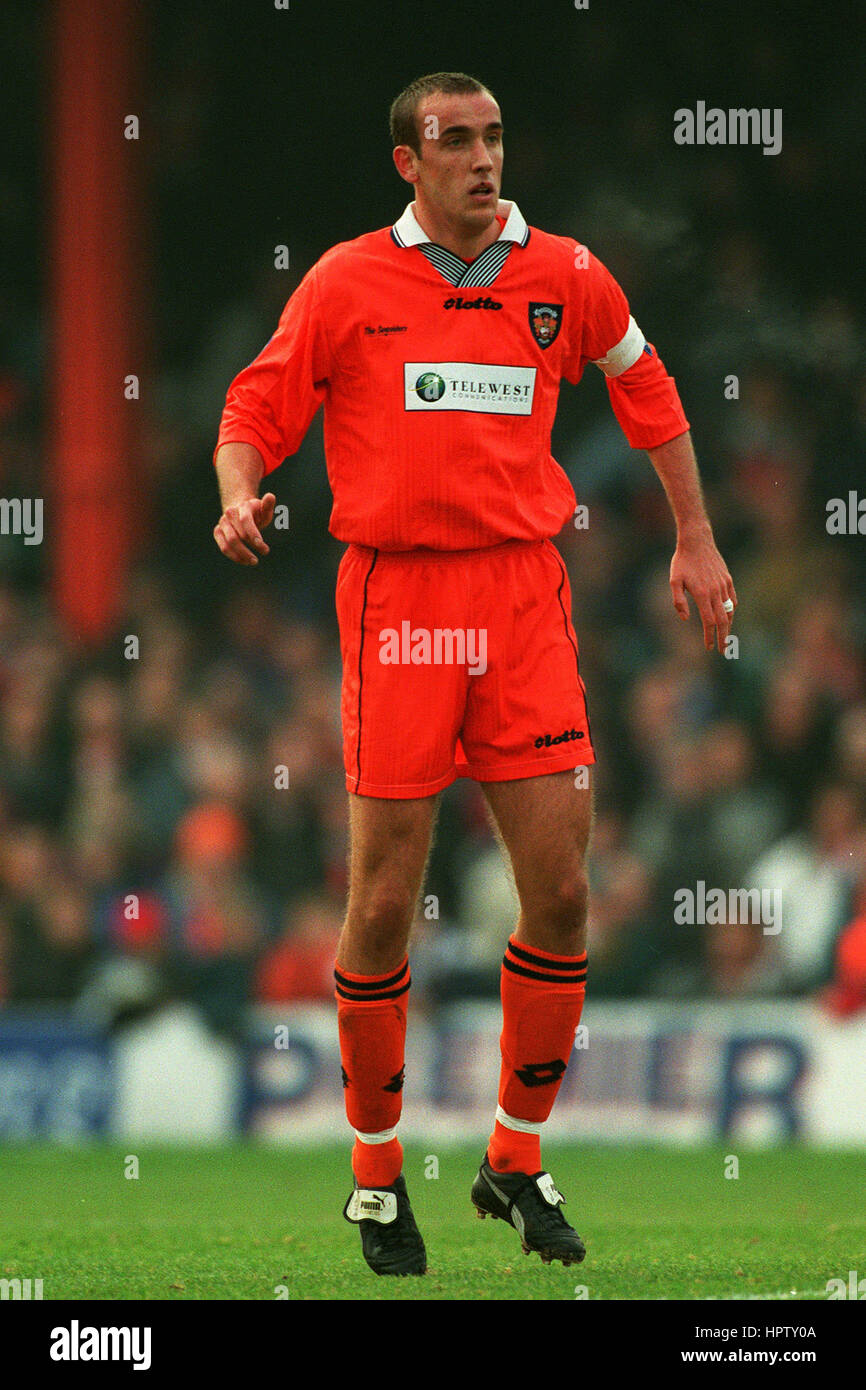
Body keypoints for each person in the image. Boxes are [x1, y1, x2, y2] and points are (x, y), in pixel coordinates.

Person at [213, 72, 736, 1277]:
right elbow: (256, 399)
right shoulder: (347, 282)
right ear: (407, 161)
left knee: (558, 890)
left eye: (493, 136)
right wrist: (240, 491)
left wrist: (694, 535)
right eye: (453, 141)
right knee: (385, 901)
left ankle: (510, 1157)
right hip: (398, 597)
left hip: (520, 596)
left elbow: (646, 383)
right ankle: (377, 1177)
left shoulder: (564, 272)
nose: (481, 159)